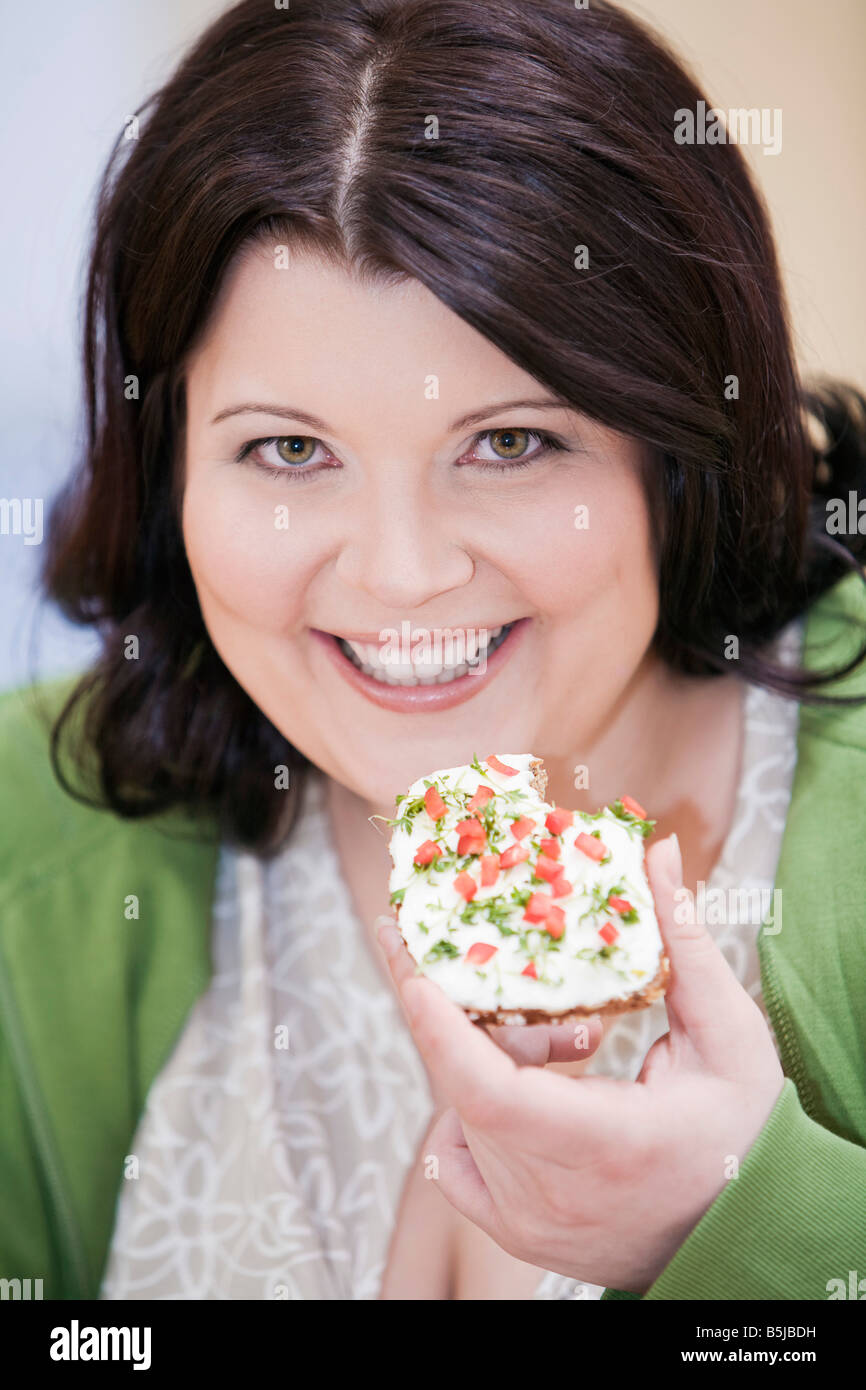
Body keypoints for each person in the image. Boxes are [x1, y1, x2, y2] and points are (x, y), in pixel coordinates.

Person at [1, 0, 865, 1300]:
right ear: (169, 467)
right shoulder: (30, 833)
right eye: (288, 450)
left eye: (509, 442)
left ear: (670, 449)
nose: (400, 573)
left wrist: (752, 1226)